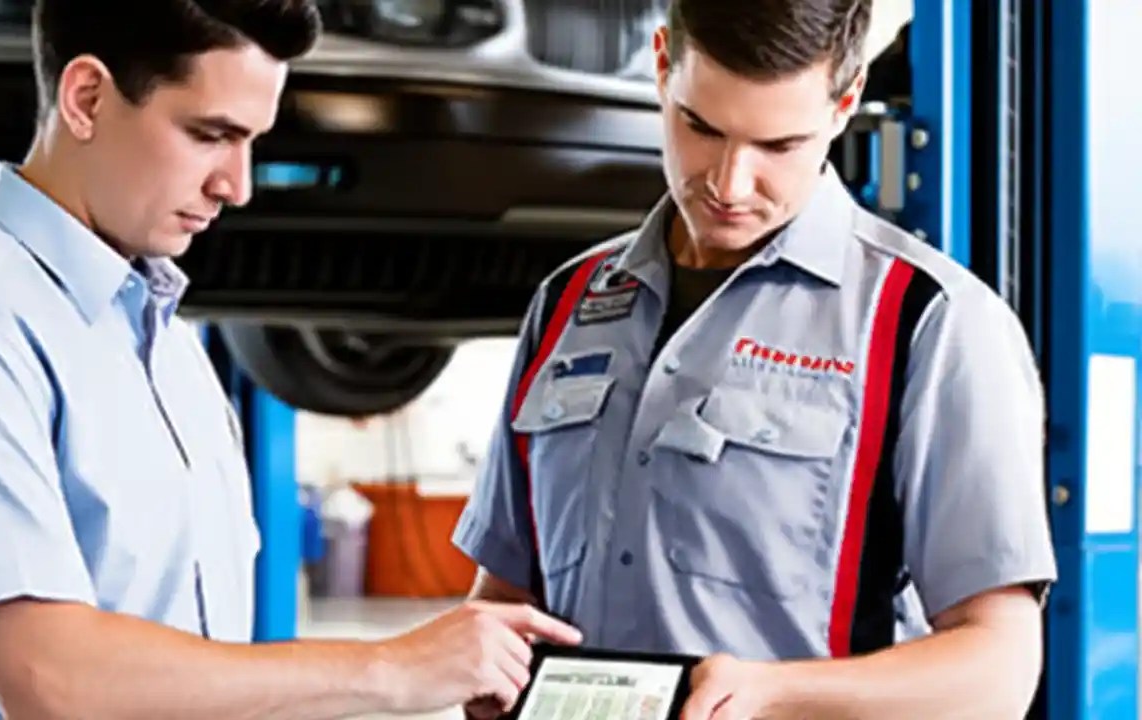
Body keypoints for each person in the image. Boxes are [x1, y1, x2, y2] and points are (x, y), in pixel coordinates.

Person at [0, 1, 582, 718]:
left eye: (252, 143)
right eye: (211, 134)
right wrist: (391, 668)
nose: (236, 185)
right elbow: (53, 681)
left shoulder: (167, 344)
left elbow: (206, 674)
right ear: (87, 98)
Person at [452, 0, 1058, 718]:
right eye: (701, 128)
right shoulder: (569, 303)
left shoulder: (930, 325)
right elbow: (504, 601)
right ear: (661, 66)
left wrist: (775, 695)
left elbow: (998, 672)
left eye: (778, 146)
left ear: (846, 101)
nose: (730, 184)